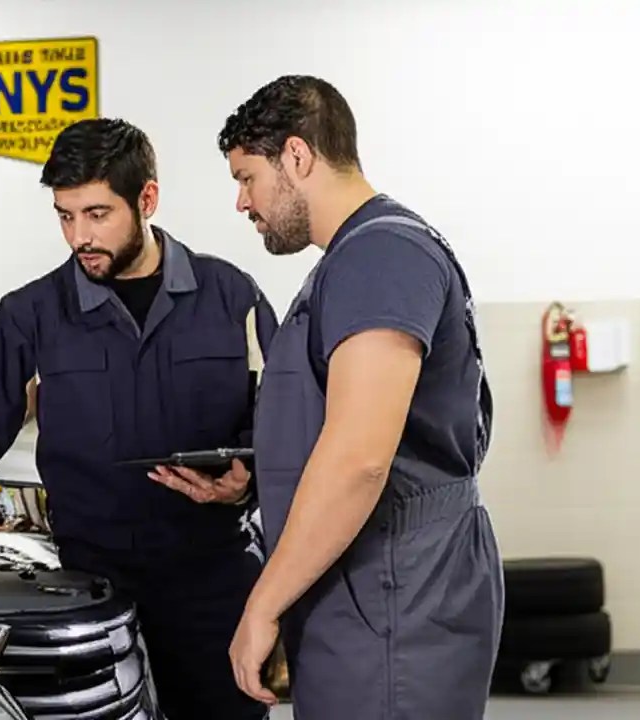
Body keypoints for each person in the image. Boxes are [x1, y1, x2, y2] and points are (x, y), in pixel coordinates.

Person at [0, 117, 277, 720]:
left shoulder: (230, 296)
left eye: (97, 214)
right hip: (92, 592)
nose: (79, 237)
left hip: (213, 586)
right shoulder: (33, 314)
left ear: (146, 198)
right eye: (66, 216)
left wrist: (248, 478)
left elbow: (281, 418)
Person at [210, 75, 504, 718]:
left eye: (246, 177)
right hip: (368, 590)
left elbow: (359, 459)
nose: (242, 202)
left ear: (296, 156)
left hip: (395, 593)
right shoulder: (357, 256)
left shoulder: (382, 255)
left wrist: (264, 604)